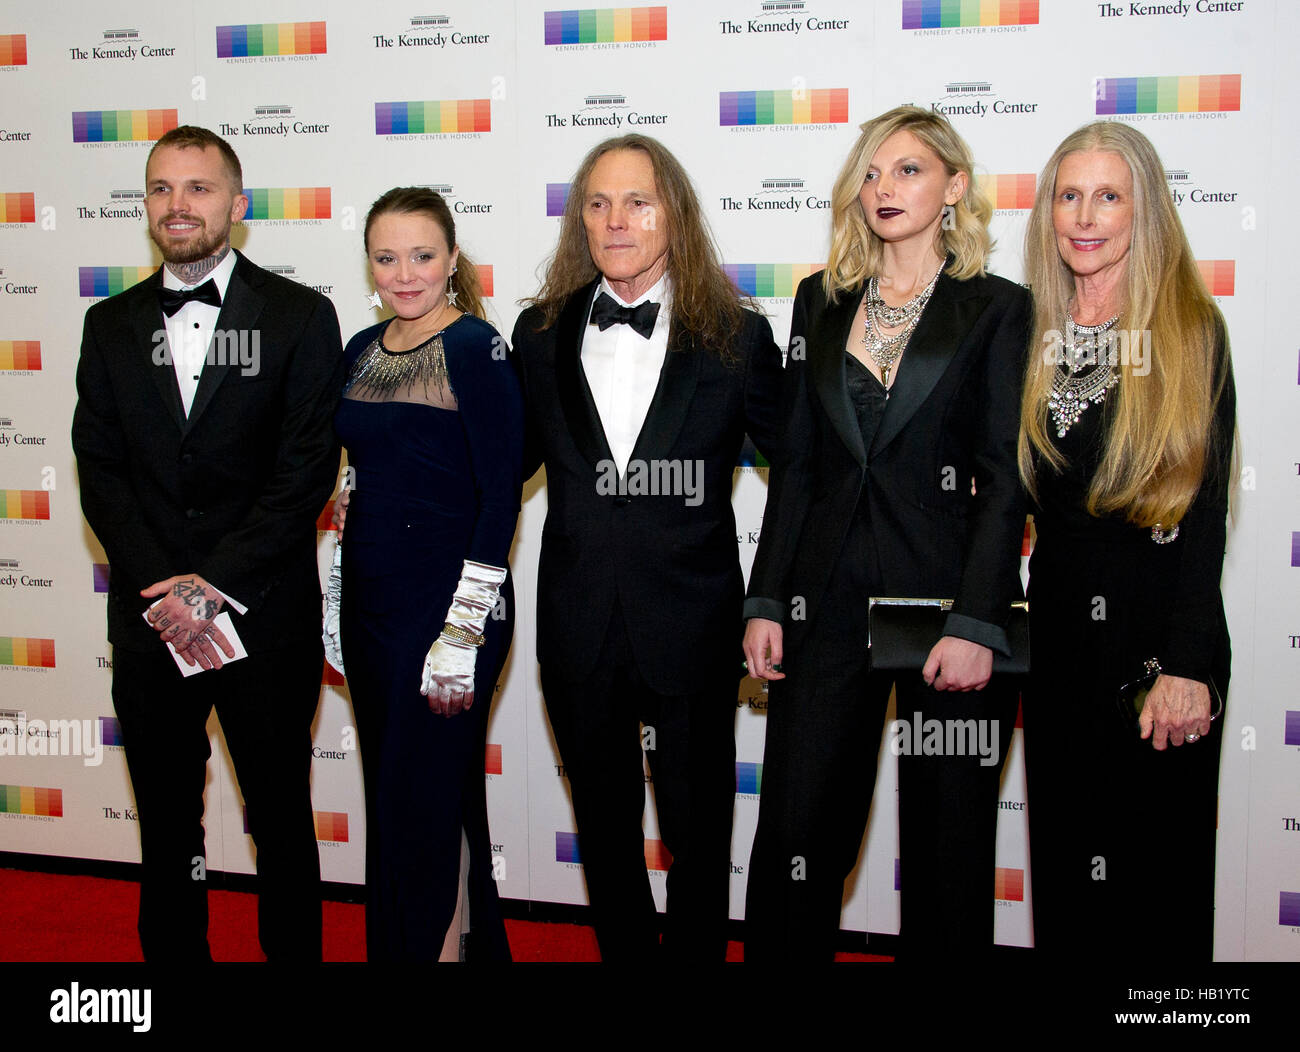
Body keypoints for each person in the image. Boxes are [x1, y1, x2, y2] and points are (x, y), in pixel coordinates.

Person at [742, 106, 1030, 960]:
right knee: (797, 836)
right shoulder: (819, 301)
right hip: (824, 602)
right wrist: (766, 598)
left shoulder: (998, 309)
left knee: (948, 849)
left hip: (946, 607)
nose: (884, 188)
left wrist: (979, 620)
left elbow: (1006, 477)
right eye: (871, 172)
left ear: (955, 187)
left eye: (908, 170)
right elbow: (796, 465)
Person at [71, 125, 344, 961]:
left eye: (198, 188)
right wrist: (166, 588)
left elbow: (304, 475)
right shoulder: (109, 324)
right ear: (146, 206)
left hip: (263, 617)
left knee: (280, 818)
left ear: (238, 205)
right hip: (152, 621)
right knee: (166, 825)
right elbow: (101, 472)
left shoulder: (300, 316)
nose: (178, 205)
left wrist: (211, 583)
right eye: (161, 188)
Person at [511, 134, 783, 960]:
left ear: (675, 215)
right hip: (576, 624)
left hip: (695, 628)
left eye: (638, 202)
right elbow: (498, 466)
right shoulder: (538, 332)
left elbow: (807, 477)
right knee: (604, 830)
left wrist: (770, 598)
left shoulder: (737, 336)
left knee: (699, 837)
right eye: (597, 203)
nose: (615, 220)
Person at [1018, 122, 1235, 961]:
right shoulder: (1029, 330)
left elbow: (1205, 517)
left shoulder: (1189, 333)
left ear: (1145, 210)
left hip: (1158, 649)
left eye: (1109, 195)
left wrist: (1186, 666)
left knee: (1158, 896)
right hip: (1060, 642)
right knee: (1070, 885)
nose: (1084, 214)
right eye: (1069, 194)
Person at [332, 188, 522, 962]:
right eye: (386, 257)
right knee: (397, 797)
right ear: (369, 264)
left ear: (452, 260)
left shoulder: (478, 348)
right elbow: (367, 466)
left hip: (448, 606)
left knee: (426, 803)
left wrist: (464, 624)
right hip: (373, 602)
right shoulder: (358, 349)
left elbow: (500, 491)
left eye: (421, 255)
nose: (404, 274)